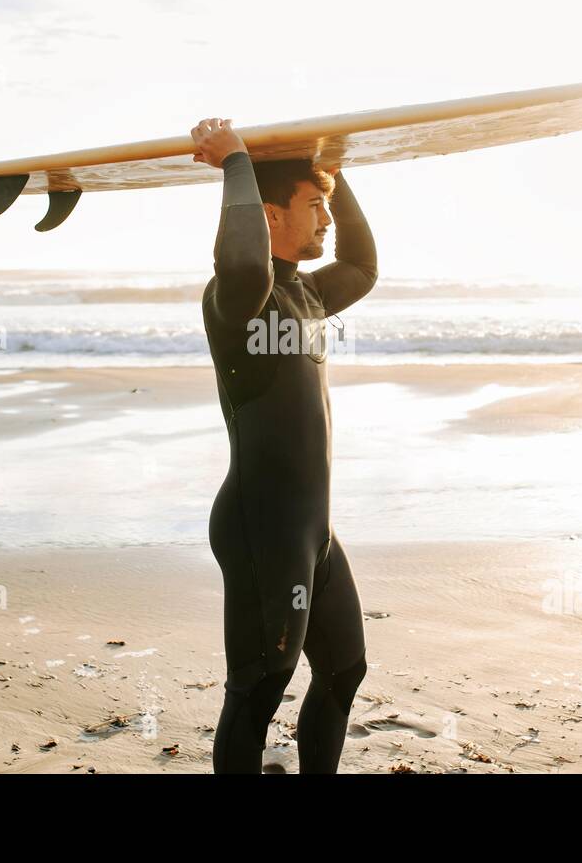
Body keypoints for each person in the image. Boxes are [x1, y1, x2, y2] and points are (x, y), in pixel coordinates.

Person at [193, 116, 378, 773]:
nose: (326, 218)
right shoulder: (239, 297)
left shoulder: (305, 293)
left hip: (313, 534)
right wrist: (235, 164)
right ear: (271, 216)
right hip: (260, 531)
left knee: (344, 671)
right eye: (314, 205)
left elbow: (362, 264)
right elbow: (241, 255)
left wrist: (338, 167)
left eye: (327, 205)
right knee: (257, 691)